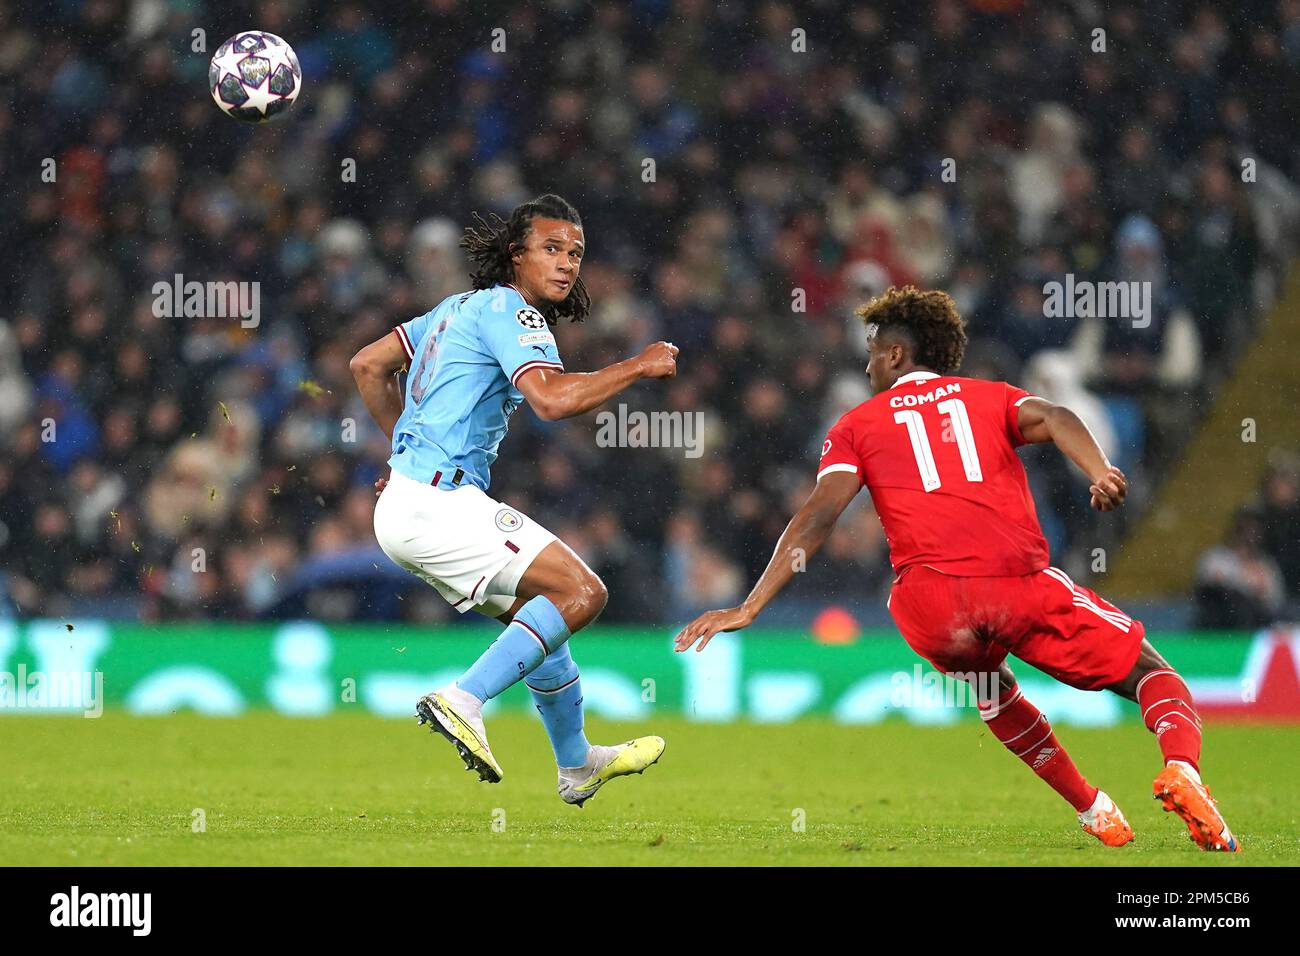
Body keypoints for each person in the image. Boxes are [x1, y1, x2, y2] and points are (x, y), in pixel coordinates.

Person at [675, 286, 1239, 852]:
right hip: (1012, 584)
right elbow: (1057, 414)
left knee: (990, 685)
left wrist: (749, 606)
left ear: (895, 356)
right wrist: (1101, 471)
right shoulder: (989, 398)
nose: (868, 364)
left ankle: (1093, 809)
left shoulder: (855, 425)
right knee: (1153, 675)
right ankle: (1183, 771)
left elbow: (818, 515)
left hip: (929, 608)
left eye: (873, 352)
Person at [351, 194, 676, 805]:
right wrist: (638, 365)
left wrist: (402, 454)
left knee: (543, 624)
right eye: (551, 249)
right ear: (515, 254)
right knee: (583, 593)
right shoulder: (510, 310)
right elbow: (551, 402)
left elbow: (368, 364)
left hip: (406, 504)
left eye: (575, 253)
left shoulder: (454, 308)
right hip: (438, 502)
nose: (566, 264)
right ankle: (464, 698)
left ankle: (576, 764)